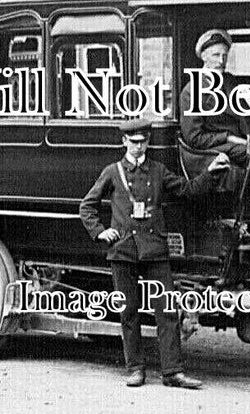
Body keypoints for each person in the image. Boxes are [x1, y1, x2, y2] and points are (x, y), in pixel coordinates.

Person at [79, 119, 229, 389]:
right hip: (123, 250)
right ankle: (135, 369)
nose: (138, 147)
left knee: (167, 311)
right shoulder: (112, 172)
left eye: (143, 142)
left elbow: (188, 190)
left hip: (154, 250)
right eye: (133, 142)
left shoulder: (159, 170)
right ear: (124, 142)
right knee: (129, 312)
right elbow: (87, 206)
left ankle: (172, 372)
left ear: (148, 142)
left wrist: (211, 172)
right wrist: (100, 232)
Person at [178, 28, 250, 234]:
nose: (221, 61)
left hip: (237, 141)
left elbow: (242, 115)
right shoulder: (191, 91)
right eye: (216, 55)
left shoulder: (230, 81)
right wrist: (230, 138)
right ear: (203, 56)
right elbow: (194, 138)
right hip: (211, 149)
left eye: (224, 56)